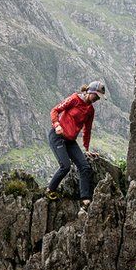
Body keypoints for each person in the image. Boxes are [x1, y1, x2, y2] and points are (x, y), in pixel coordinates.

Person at [44, 80, 106, 215]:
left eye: (98, 98)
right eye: (96, 96)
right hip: (57, 136)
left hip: (70, 141)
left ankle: (85, 200)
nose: (96, 99)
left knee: (85, 167)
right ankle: (50, 190)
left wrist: (86, 149)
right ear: (89, 92)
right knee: (65, 166)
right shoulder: (74, 99)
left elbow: (87, 130)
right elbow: (55, 110)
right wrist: (57, 125)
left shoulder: (90, 110)